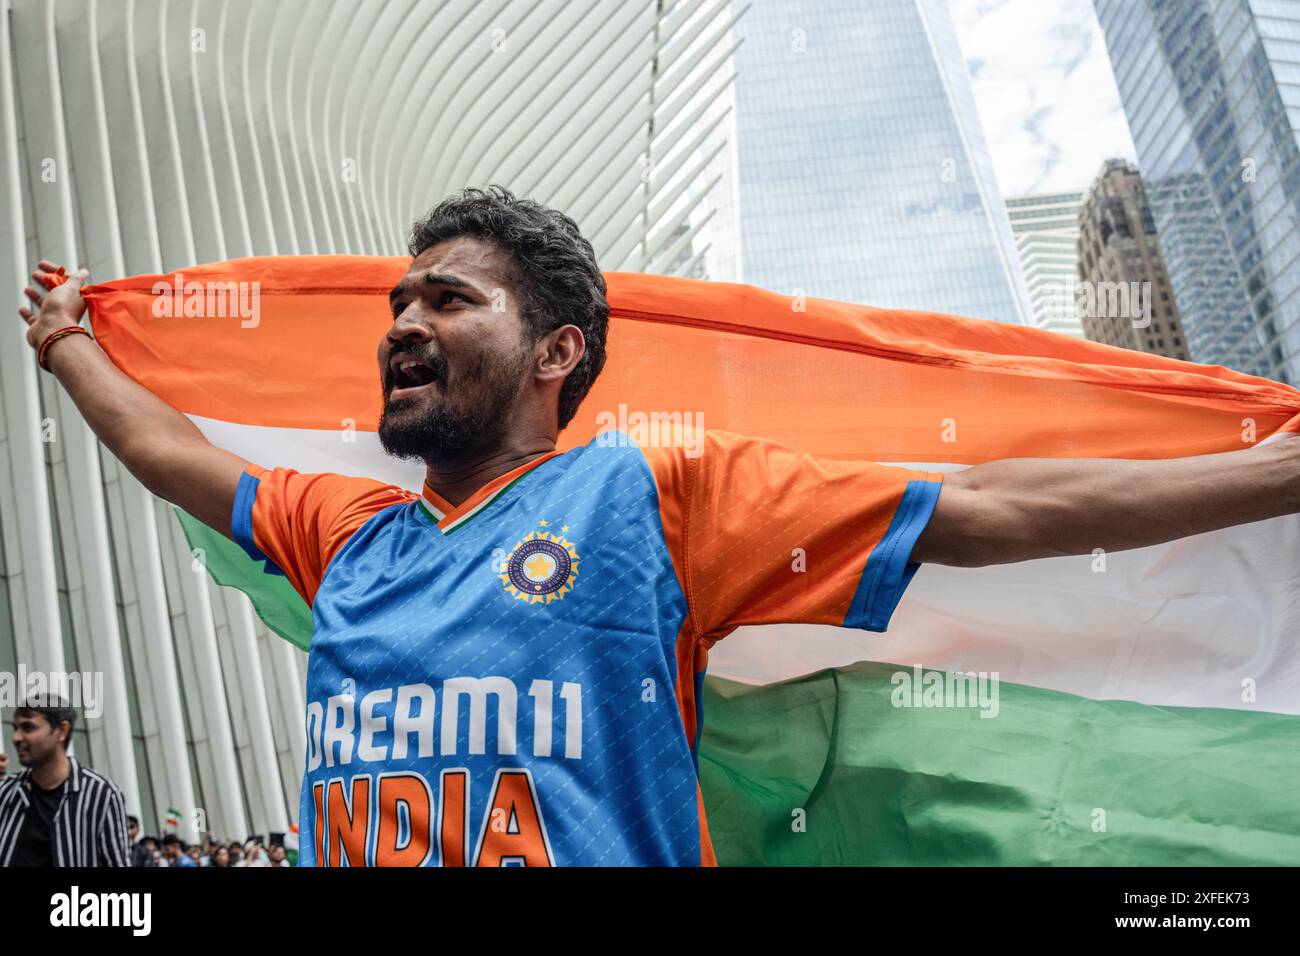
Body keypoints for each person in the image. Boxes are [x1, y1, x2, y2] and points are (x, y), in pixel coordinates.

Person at [19, 185, 1300, 866]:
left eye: (447, 299)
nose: (400, 321)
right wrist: (70, 341)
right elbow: (166, 450)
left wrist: (1276, 478)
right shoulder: (342, 530)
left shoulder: (654, 493)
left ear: (555, 351)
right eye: (398, 300)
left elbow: (990, 508)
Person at [0, 696, 129, 866]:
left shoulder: (101, 795)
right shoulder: (6, 793)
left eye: (28, 728)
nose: (16, 737)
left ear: (62, 731)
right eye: (15, 728)